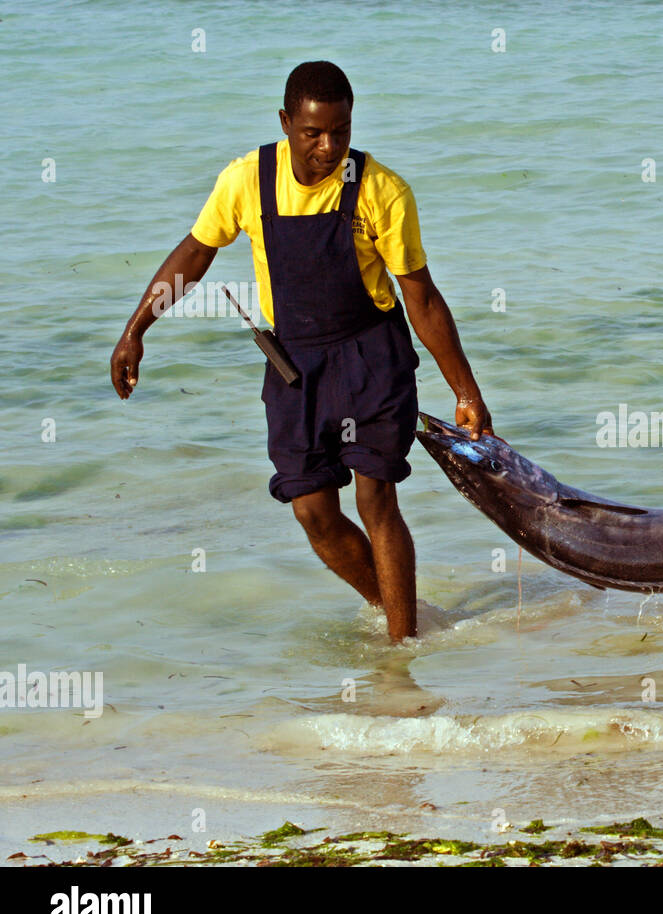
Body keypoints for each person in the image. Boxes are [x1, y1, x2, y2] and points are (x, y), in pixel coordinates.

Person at [110, 61, 494, 642]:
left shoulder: (382, 190)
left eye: (340, 130)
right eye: (313, 132)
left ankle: (403, 647)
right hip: (295, 362)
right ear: (287, 122)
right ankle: (399, 611)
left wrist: (466, 392)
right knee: (312, 508)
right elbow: (196, 252)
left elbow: (423, 300)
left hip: (372, 354)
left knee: (375, 496)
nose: (329, 145)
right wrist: (137, 328)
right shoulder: (246, 180)